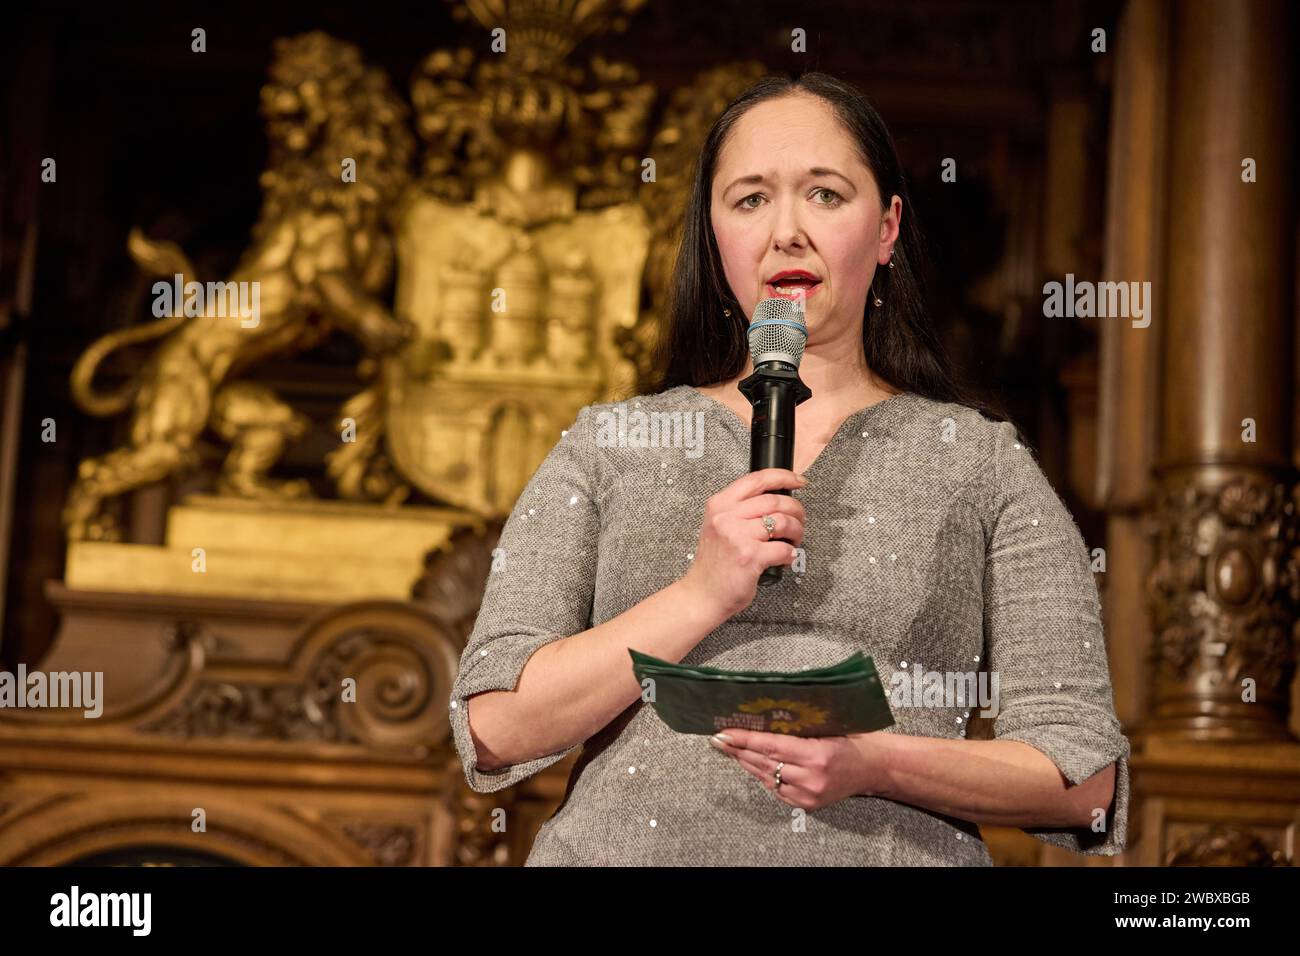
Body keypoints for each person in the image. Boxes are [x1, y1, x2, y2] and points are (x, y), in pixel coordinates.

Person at [448, 71, 1129, 866]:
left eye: (826, 195)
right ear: (714, 235)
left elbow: (1085, 780)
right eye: (749, 199)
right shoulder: (612, 444)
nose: (786, 232)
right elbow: (494, 726)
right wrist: (700, 594)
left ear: (887, 229)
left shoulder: (979, 463)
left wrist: (879, 761)